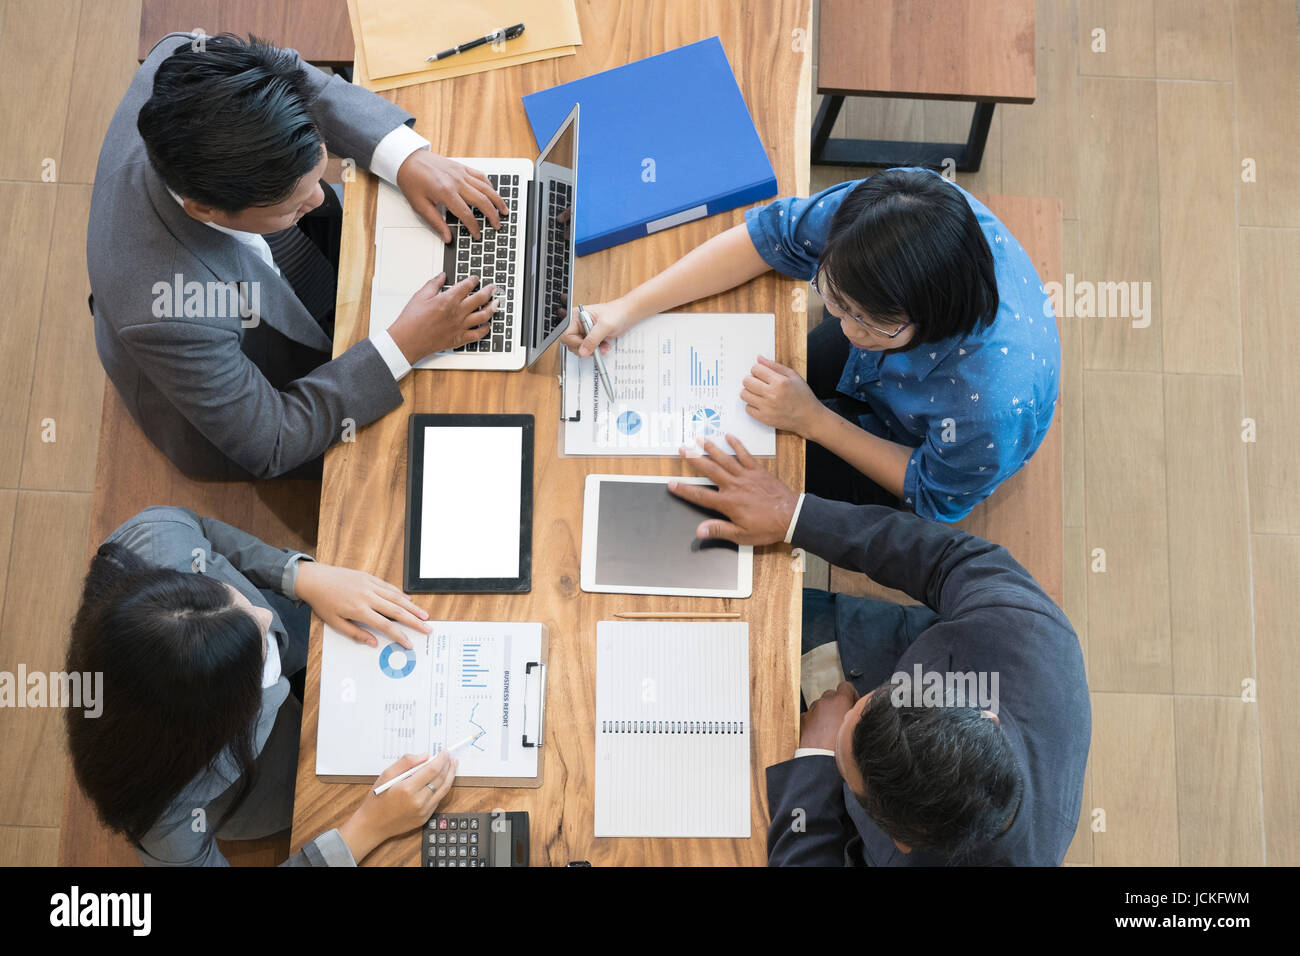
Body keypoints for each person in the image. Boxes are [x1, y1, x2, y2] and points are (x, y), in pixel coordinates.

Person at [89, 33, 507, 479]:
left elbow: (302, 85)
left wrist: (405, 159)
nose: (320, 198)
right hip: (231, 398)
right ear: (205, 209)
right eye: (292, 204)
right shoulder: (168, 314)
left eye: (317, 176)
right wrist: (404, 344)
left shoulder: (190, 59)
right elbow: (272, 441)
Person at [666, 435, 1089, 866]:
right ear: (982, 712)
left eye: (846, 765)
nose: (844, 702)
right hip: (870, 646)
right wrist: (794, 515)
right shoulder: (1029, 635)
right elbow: (944, 559)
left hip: (814, 805)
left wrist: (815, 761)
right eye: (868, 705)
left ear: (902, 843)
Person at [564, 167, 1059, 521]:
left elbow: (933, 491)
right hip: (891, 367)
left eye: (867, 322)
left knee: (743, 472)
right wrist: (628, 307)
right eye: (833, 301)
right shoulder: (880, 218)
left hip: (927, 444)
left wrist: (815, 420)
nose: (844, 329)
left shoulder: (990, 406)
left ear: (927, 320)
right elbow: (771, 237)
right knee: (750, 410)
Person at [64, 506, 454, 866]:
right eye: (260, 656)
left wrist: (298, 575)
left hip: (310, 646)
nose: (266, 615)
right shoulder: (163, 815)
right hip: (264, 780)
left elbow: (199, 529)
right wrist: (366, 830)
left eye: (234, 599)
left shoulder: (156, 541)